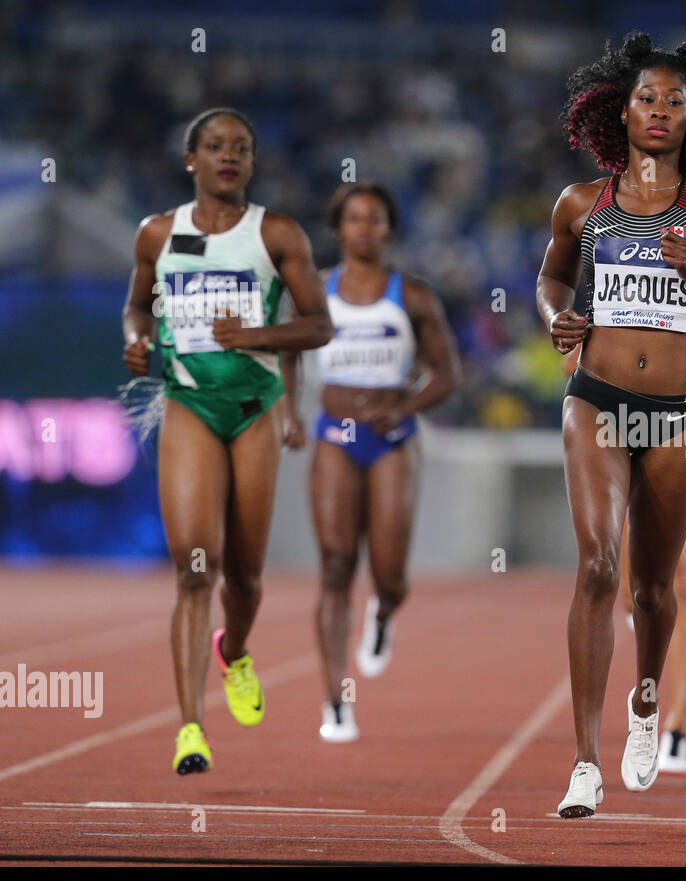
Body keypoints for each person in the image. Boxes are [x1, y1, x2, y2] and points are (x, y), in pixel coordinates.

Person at [537, 32, 686, 817]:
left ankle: (646, 703)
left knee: (655, 590)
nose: (661, 109)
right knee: (598, 569)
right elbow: (552, 275)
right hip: (594, 400)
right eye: (647, 97)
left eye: (675, 100)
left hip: (679, 415)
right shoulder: (582, 203)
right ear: (619, 111)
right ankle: (582, 764)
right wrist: (555, 317)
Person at [121, 108, 333, 774]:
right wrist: (134, 337)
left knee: (243, 576)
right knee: (194, 569)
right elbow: (136, 304)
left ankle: (234, 651)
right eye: (214, 147)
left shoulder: (275, 233)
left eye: (240, 148)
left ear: (251, 161)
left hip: (253, 408)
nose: (228, 157)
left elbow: (319, 324)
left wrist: (257, 338)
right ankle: (191, 729)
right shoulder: (158, 232)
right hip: (188, 404)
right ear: (192, 159)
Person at [281, 182, 461, 742]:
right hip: (335, 433)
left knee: (390, 574)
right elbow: (288, 350)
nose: (364, 229)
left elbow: (447, 373)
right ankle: (336, 700)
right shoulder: (314, 291)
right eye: (354, 219)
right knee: (335, 564)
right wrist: (289, 412)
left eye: (375, 219)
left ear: (388, 229)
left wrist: (406, 405)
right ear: (338, 229)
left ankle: (382, 616)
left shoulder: (411, 295)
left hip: (393, 438)